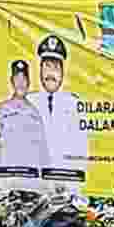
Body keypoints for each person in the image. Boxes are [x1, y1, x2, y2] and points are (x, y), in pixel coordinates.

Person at [33, 35, 88, 197]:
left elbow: (80, 153)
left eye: (56, 68)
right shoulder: (28, 103)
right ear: (40, 69)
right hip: (34, 190)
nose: (50, 73)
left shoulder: (75, 105)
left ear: (63, 72)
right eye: (47, 66)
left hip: (66, 191)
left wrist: (71, 190)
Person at [0, 57, 48, 190]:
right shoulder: (1, 111)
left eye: (24, 80)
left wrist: (44, 182)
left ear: (29, 83)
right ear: (12, 81)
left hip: (31, 181)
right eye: (17, 79)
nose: (21, 84)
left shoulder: (35, 113)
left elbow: (42, 150)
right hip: (8, 180)